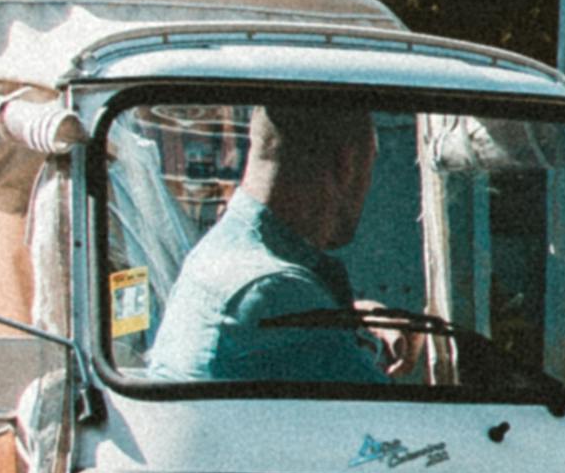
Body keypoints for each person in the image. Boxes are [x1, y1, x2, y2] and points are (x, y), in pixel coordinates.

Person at [138, 101, 389, 386]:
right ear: (348, 164)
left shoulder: (223, 251)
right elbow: (392, 422)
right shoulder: (273, 290)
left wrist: (356, 323)